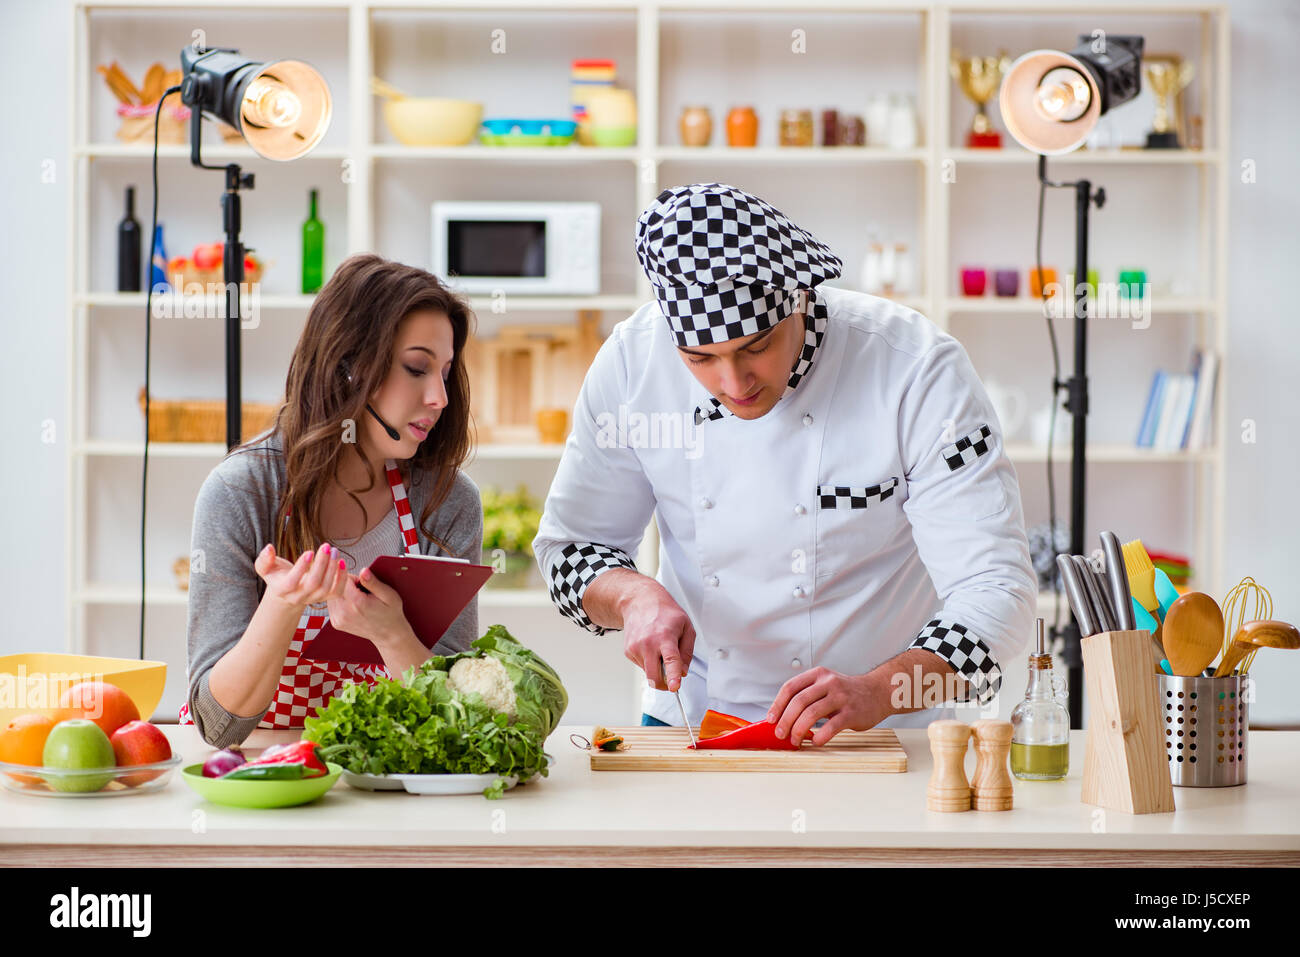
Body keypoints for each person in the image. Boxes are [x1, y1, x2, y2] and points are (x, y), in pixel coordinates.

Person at [533, 183, 1037, 745]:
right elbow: (571, 548)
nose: (733, 383)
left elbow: (998, 590)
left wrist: (880, 689)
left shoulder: (915, 369)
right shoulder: (632, 362)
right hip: (692, 720)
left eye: (756, 346)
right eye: (700, 359)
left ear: (798, 299)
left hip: (881, 731)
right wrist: (633, 597)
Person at [180, 254, 482, 748]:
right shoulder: (241, 493)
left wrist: (392, 635)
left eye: (445, 373)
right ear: (348, 366)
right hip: (268, 788)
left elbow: (464, 722)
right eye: (416, 368)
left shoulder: (448, 502)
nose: (440, 397)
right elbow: (218, 726)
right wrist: (281, 603)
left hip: (395, 783)